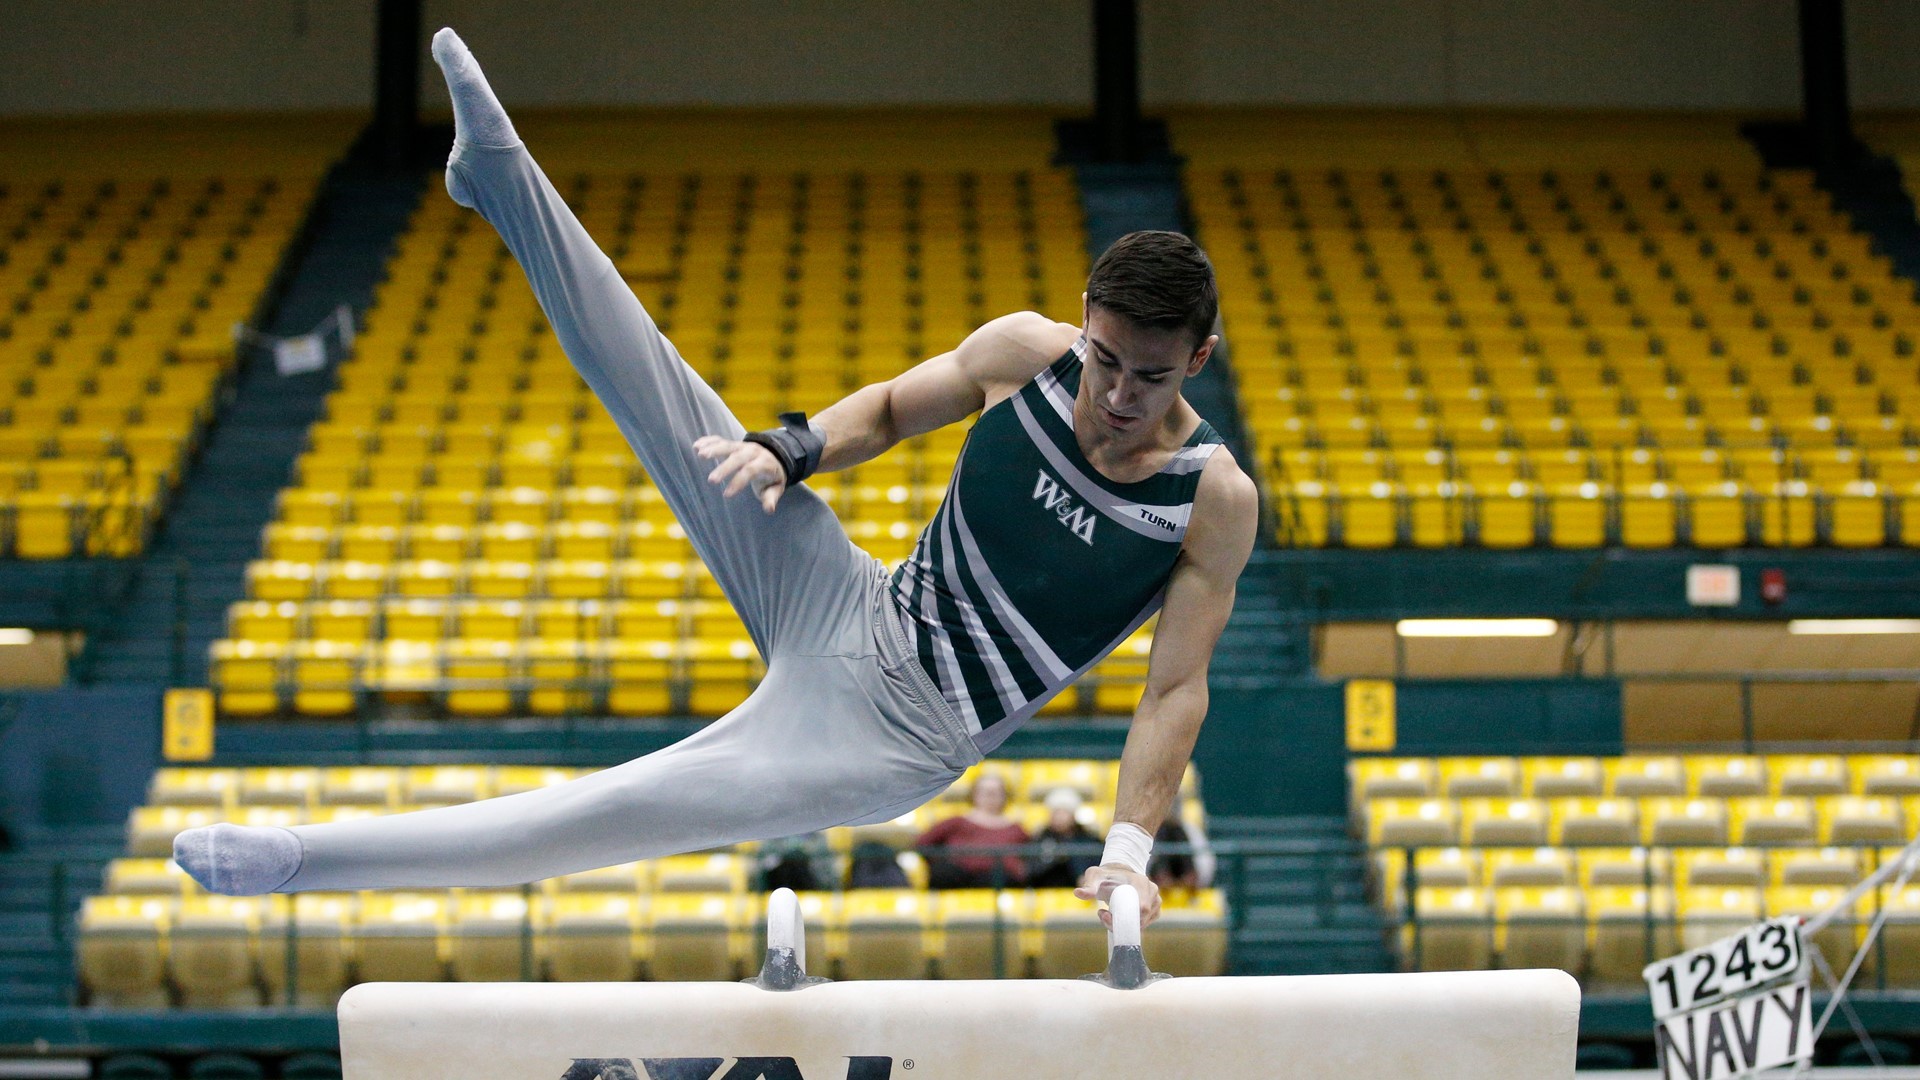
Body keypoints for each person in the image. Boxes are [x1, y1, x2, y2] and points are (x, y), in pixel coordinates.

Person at [171, 27, 1258, 930]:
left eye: (1147, 377)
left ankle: (296, 862)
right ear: (1082, 322)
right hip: (851, 596)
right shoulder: (1028, 353)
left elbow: (1173, 691)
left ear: (1196, 361)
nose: (1113, 394)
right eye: (1104, 359)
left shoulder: (1210, 499)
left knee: (608, 813)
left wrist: (1127, 851)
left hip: (896, 735)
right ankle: (500, 178)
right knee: (675, 400)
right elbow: (883, 411)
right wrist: (791, 447)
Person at [912, 772, 1028, 889]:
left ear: (1005, 795)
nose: (990, 797)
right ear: (974, 794)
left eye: (995, 793)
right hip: (955, 880)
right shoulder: (956, 822)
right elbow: (923, 843)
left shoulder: (1016, 829)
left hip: (995, 882)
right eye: (985, 792)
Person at [1028, 787, 1102, 888]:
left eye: (1063, 812)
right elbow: (1031, 871)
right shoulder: (1041, 839)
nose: (1059, 817)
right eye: (1056, 812)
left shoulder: (1088, 839)